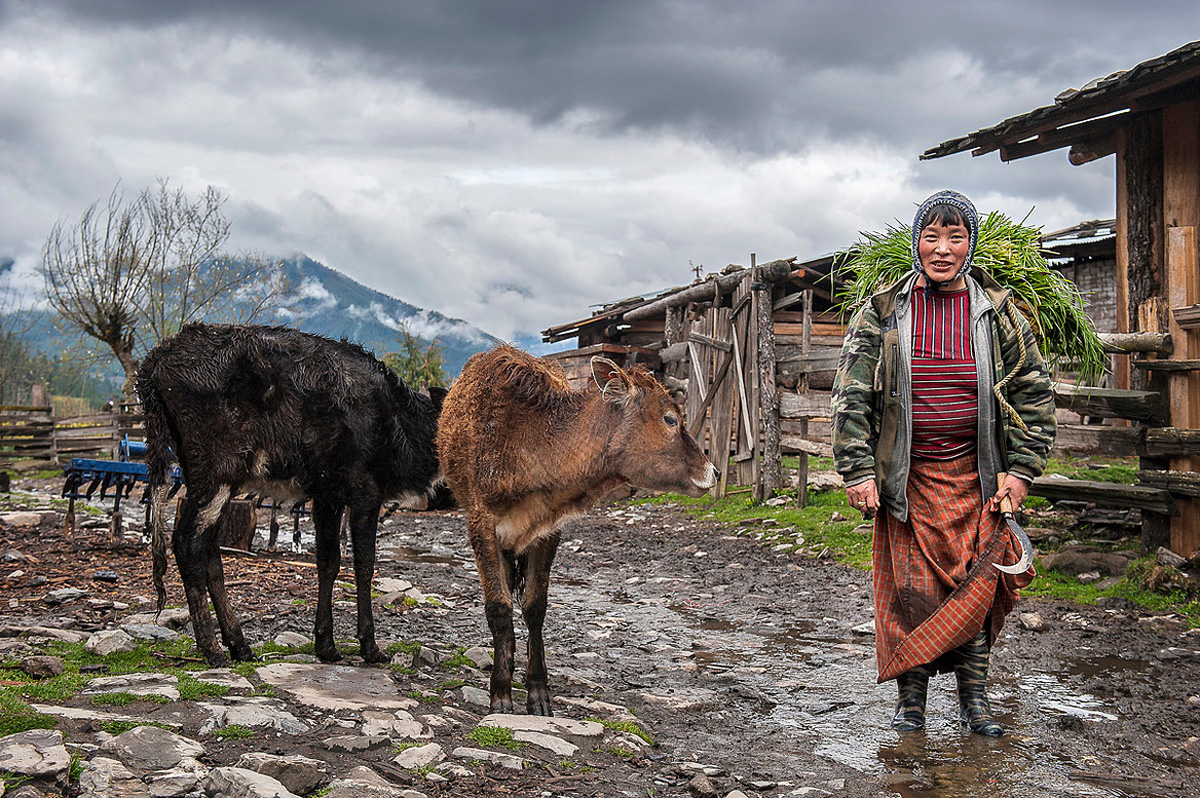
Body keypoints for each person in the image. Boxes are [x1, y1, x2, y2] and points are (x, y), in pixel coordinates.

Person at [831, 190, 1056, 736]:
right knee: (913, 595)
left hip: (979, 479)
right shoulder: (884, 311)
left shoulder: (997, 313)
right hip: (907, 479)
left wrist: (1021, 470)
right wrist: (858, 468)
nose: (942, 248)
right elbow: (851, 394)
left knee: (973, 589)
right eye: (931, 236)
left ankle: (974, 706)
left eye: (955, 237)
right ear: (916, 244)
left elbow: (1034, 393)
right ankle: (912, 709)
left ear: (970, 245)